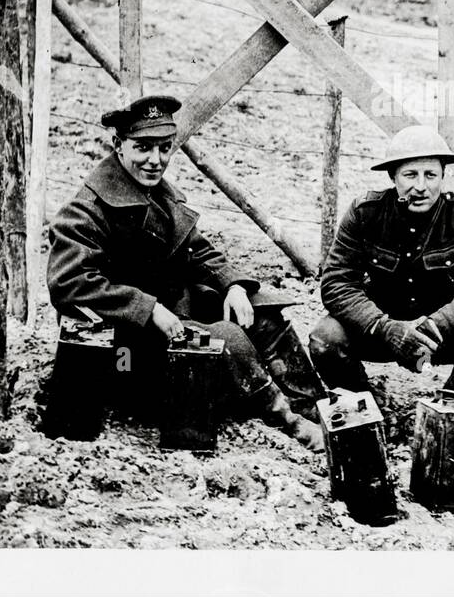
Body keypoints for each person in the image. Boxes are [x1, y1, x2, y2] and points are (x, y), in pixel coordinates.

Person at [47, 94, 325, 451]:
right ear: (118, 145)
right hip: (125, 356)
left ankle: (315, 406)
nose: (155, 160)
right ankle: (289, 421)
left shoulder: (157, 196)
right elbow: (69, 283)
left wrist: (233, 286)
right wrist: (147, 308)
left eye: (164, 148)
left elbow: (197, 249)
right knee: (223, 335)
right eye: (143, 147)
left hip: (171, 321)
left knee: (261, 311)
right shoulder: (86, 211)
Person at [311, 125, 454, 408]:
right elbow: (336, 285)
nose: (421, 186)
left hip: (444, 337)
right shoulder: (364, 214)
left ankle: (451, 410)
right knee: (326, 337)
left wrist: (435, 326)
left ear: (443, 176)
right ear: (392, 176)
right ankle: (366, 411)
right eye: (410, 175)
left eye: (431, 175)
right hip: (381, 333)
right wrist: (385, 328)